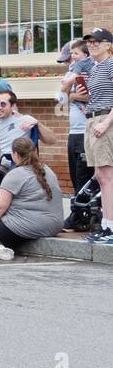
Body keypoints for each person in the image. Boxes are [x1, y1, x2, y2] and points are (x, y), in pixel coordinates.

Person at [0, 138, 64, 260]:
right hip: (55, 224)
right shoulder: (48, 170)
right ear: (35, 151)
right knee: (5, 224)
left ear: (15, 154)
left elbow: (0, 206)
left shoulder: (15, 174)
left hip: (29, 225)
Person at [80, 28, 113, 244]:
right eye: (89, 42)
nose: (91, 45)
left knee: (107, 176)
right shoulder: (94, 67)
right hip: (92, 119)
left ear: (108, 45)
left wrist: (107, 122)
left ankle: (110, 228)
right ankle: (106, 225)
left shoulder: (111, 64)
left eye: (96, 42)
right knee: (100, 176)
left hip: (105, 120)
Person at [58, 39, 95, 227]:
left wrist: (71, 93)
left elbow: (92, 96)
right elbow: (60, 97)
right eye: (71, 55)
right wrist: (70, 90)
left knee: (83, 174)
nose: (72, 59)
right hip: (74, 131)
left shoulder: (91, 71)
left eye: (76, 55)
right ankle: (79, 212)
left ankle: (82, 215)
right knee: (74, 173)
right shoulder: (71, 74)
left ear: (86, 56)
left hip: (87, 129)